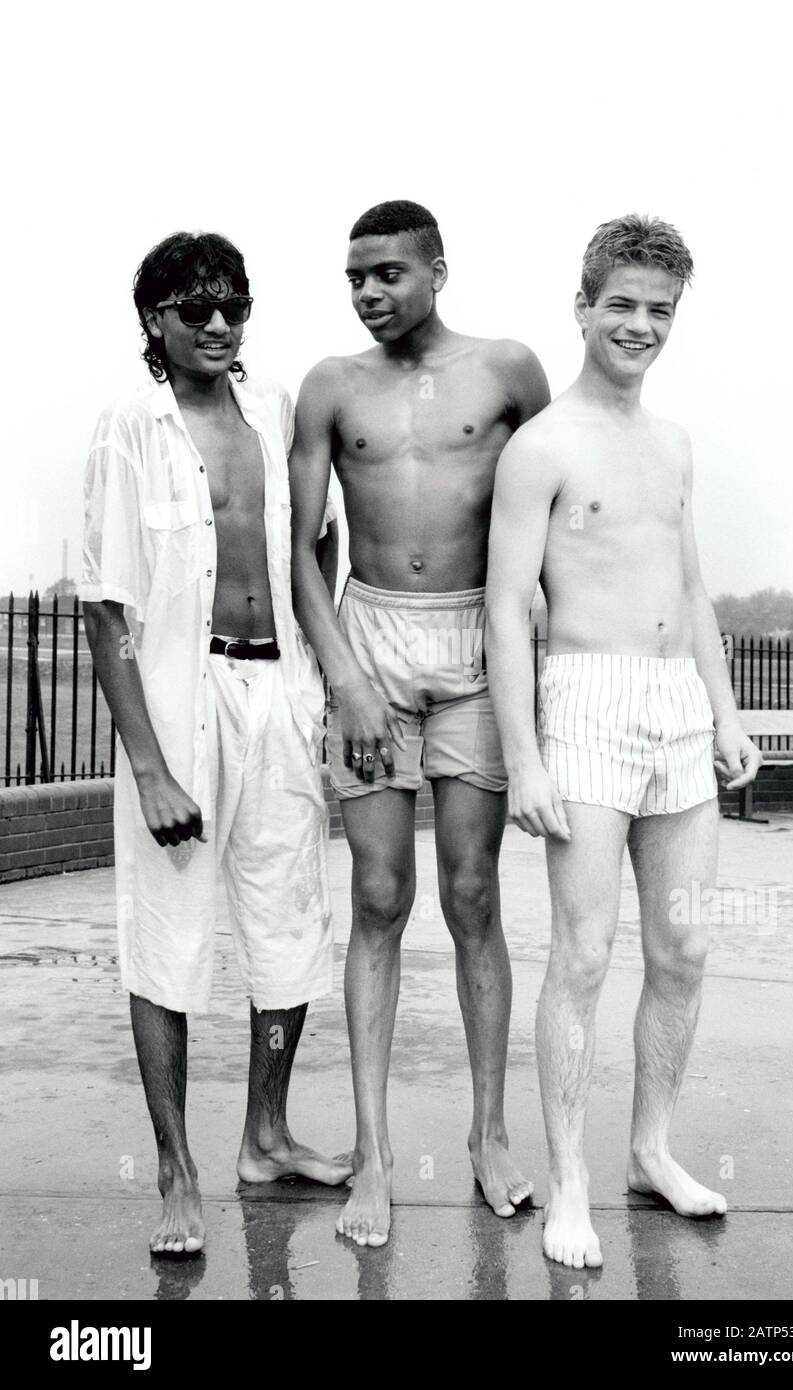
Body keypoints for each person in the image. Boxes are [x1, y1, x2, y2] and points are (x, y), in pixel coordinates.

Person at [485, 214, 762, 1269]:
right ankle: (569, 1186)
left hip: (675, 709)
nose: (639, 326)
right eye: (622, 306)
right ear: (583, 307)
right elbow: (508, 608)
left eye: (659, 310)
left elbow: (691, 585)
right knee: (585, 952)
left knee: (683, 947)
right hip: (586, 705)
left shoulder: (674, 442)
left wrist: (724, 707)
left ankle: (651, 1149)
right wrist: (526, 757)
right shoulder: (542, 445)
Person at [82, 231, 351, 1257]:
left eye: (232, 304)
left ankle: (265, 1134)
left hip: (277, 688)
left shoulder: (275, 408)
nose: (217, 323)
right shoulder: (130, 426)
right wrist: (148, 766)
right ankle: (176, 1172)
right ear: (154, 319)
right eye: (194, 308)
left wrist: (324, 690)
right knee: (168, 933)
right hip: (178, 701)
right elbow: (108, 613)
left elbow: (313, 541)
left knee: (288, 922)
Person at [289, 200, 551, 1247]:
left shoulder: (507, 372)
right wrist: (344, 675)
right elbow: (302, 547)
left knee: (474, 893)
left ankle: (489, 1135)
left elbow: (556, 509)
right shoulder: (330, 387)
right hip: (371, 643)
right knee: (379, 896)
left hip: (476, 646)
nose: (368, 292)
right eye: (355, 276)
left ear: (437, 268)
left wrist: (548, 660)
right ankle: (376, 1154)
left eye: (388, 272)